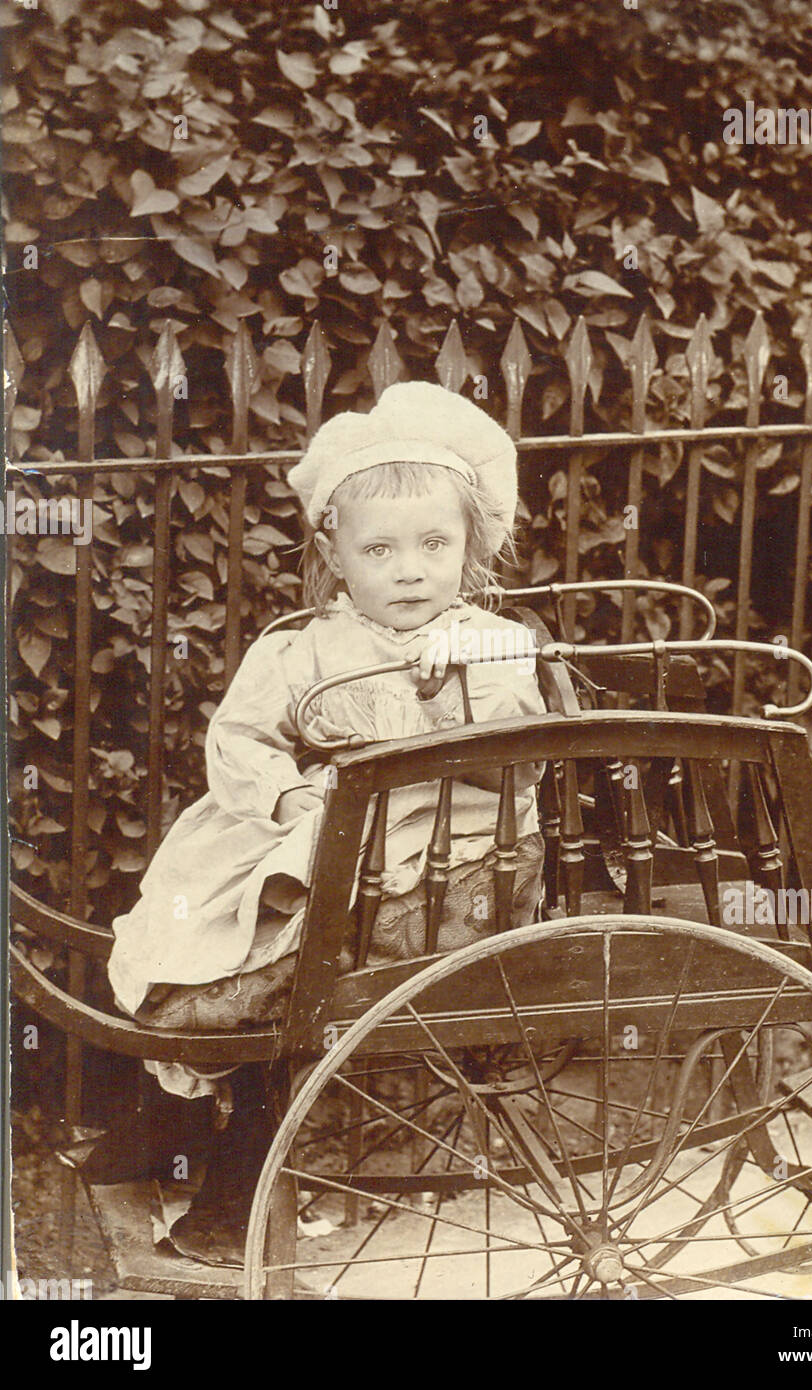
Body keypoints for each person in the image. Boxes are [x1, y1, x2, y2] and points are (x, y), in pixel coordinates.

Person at [78, 383, 547, 1266]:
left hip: (440, 863)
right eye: (380, 549)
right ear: (333, 553)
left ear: (470, 547)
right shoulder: (300, 647)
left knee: (267, 959)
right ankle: (175, 1100)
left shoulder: (490, 642)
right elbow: (242, 737)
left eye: (434, 545)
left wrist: (473, 667)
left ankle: (195, 1114)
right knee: (208, 894)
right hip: (326, 840)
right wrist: (285, 794)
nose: (410, 570)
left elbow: (520, 755)